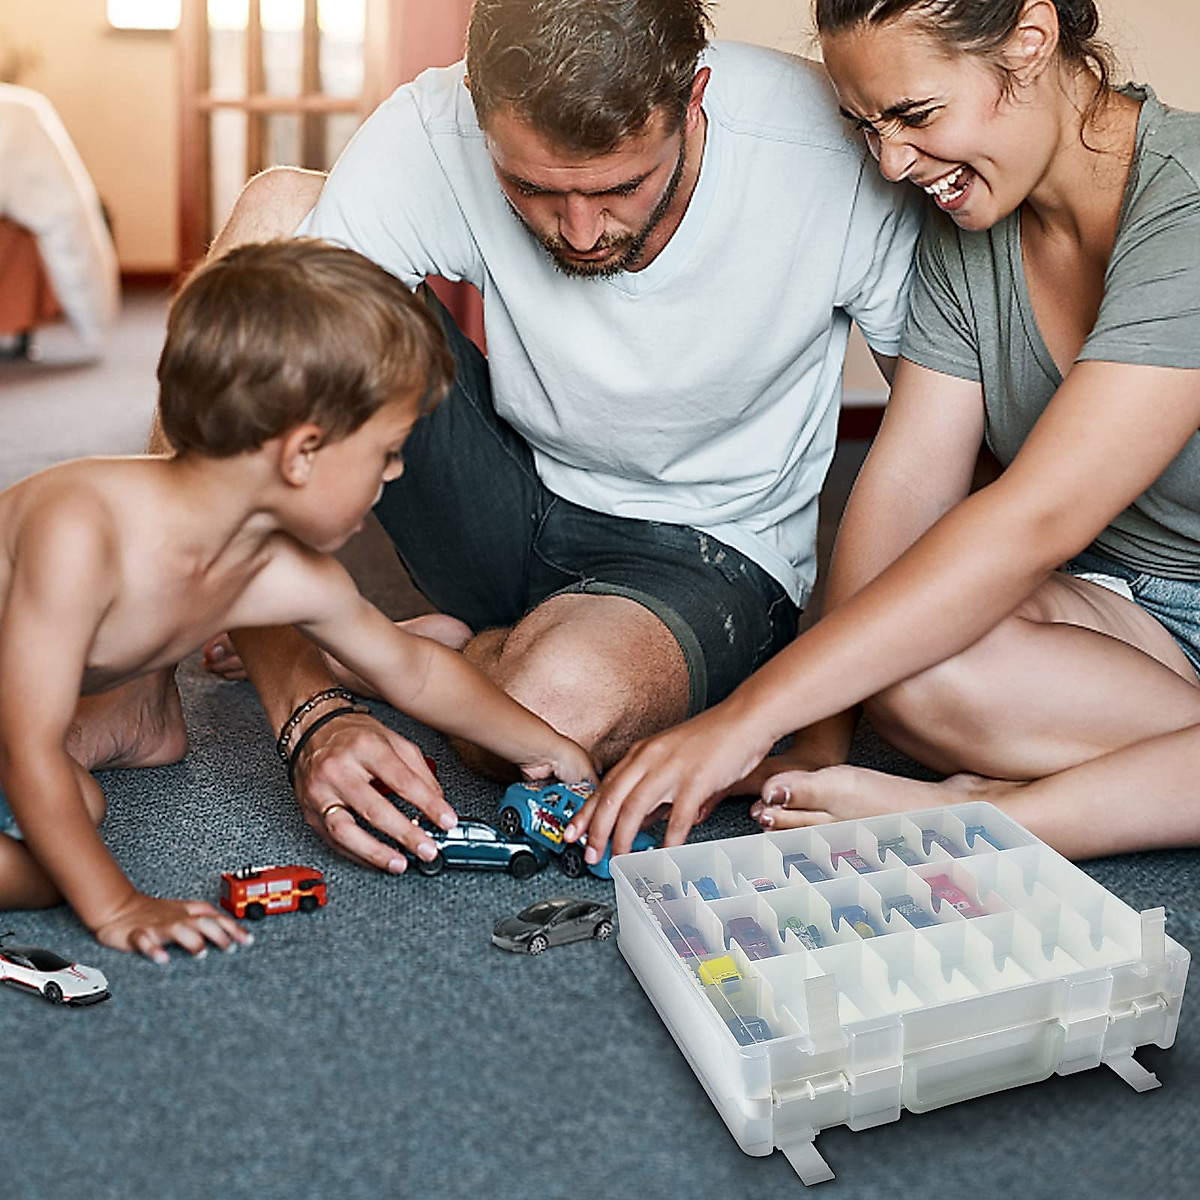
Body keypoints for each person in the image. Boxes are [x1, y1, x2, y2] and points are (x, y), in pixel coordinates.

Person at [191, 0, 923, 872]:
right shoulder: (433, 126)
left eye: (620, 187)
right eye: (533, 189)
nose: (580, 233)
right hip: (507, 484)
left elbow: (926, 451)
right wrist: (307, 709)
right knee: (277, 224)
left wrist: (821, 728)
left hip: (710, 547)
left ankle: (415, 651)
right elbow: (239, 419)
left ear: (694, 99)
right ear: (478, 106)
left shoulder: (825, 150)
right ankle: (399, 656)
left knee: (541, 720)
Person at [569, 0, 1200, 863]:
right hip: (1133, 610)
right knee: (909, 662)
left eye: (916, 115)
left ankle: (995, 820)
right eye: (868, 127)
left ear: (1031, 41)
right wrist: (816, 740)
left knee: (922, 622)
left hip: (1096, 580)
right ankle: (1134, 788)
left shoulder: (1187, 203)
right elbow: (904, 486)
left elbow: (1037, 519)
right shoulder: (969, 224)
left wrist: (745, 715)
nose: (894, 162)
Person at [0, 240, 594, 962]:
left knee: (71, 816)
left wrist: (548, 746)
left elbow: (414, 669)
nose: (396, 472)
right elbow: (29, 745)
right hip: (19, 729)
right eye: (387, 451)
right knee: (58, 846)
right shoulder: (79, 532)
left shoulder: (277, 573)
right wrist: (118, 906)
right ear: (303, 452)